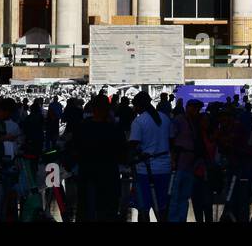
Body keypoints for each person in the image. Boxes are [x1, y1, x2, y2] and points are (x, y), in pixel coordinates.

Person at [67, 94, 125, 222]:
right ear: (108, 109)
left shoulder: (82, 127)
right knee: (107, 212)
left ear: (92, 109)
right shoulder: (114, 129)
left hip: (87, 175)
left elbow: (74, 149)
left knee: (86, 210)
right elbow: (122, 154)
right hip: (108, 176)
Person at [127, 91, 172, 221]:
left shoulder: (139, 121)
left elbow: (133, 144)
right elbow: (171, 141)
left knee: (143, 209)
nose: (134, 109)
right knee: (162, 208)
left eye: (135, 106)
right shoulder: (165, 118)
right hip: (164, 169)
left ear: (139, 106)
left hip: (145, 171)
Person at [169, 98, 209, 222]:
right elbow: (171, 139)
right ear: (188, 107)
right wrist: (173, 159)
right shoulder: (179, 120)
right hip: (180, 163)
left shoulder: (195, 122)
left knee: (184, 197)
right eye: (195, 107)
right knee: (175, 196)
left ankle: (181, 219)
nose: (197, 110)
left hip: (190, 165)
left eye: (198, 108)